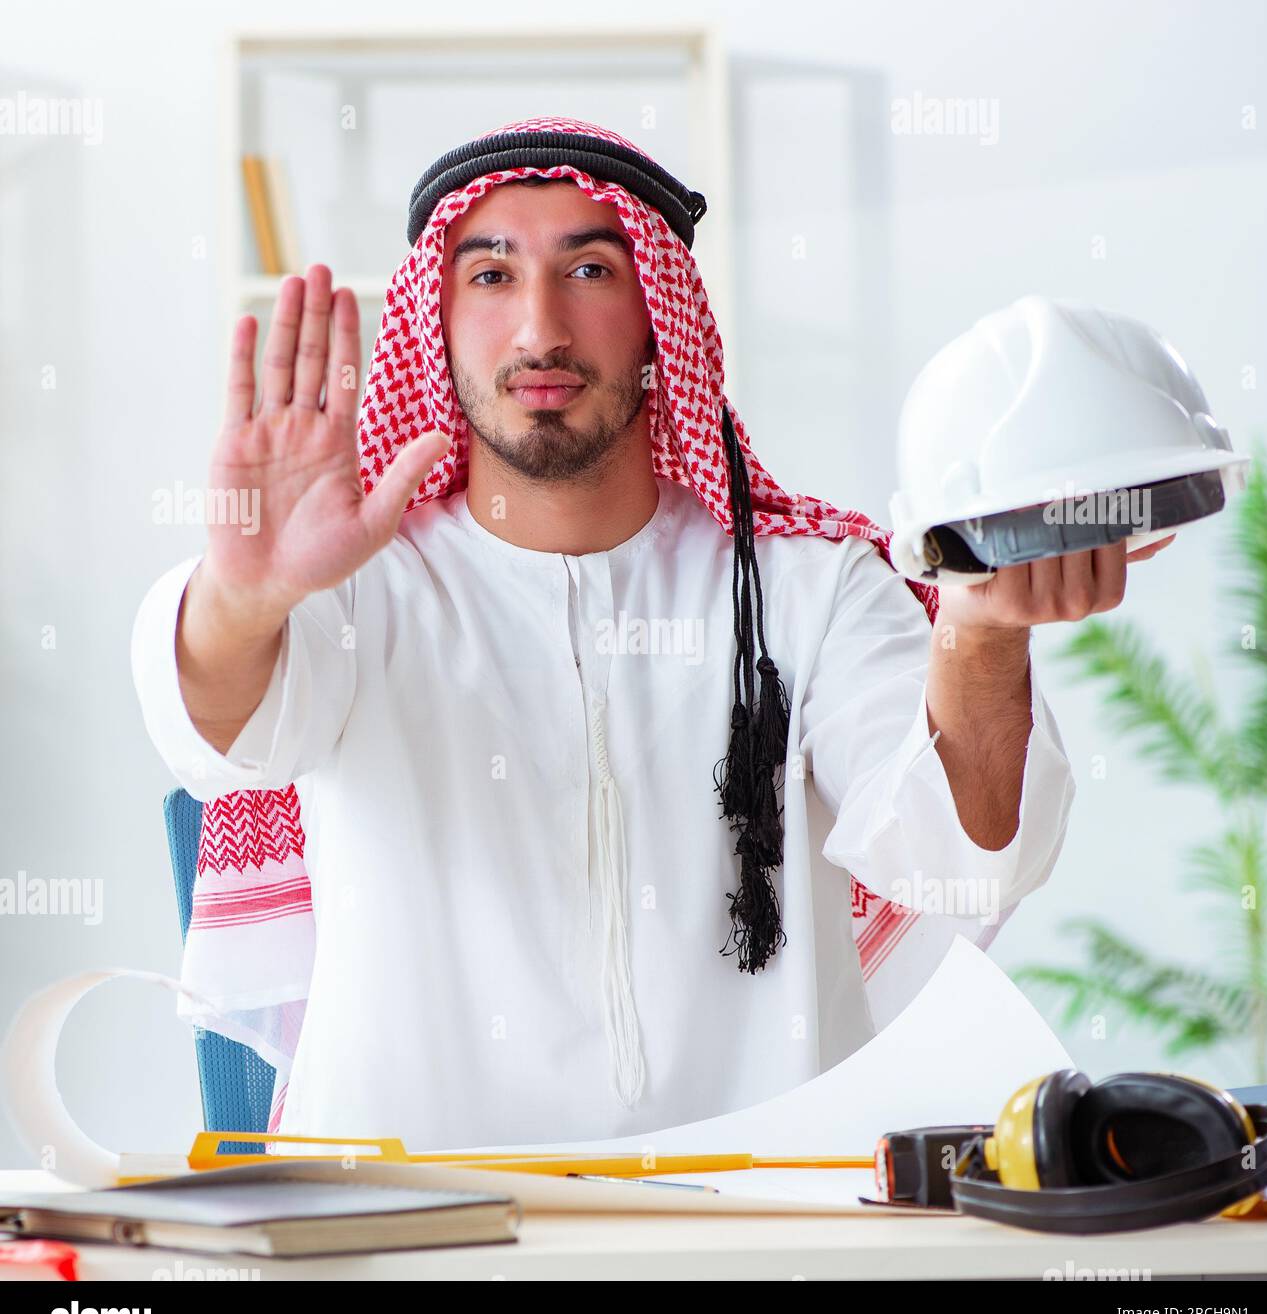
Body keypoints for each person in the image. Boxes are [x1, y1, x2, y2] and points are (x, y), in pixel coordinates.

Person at [130, 119, 1168, 1152]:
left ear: (657, 316)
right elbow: (218, 726)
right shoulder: (354, 587)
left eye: (589, 268)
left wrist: (983, 636)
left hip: (761, 1224)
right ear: (435, 322)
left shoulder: (808, 585)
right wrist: (244, 595)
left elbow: (964, 863)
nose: (540, 328)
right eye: (488, 276)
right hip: (408, 1228)